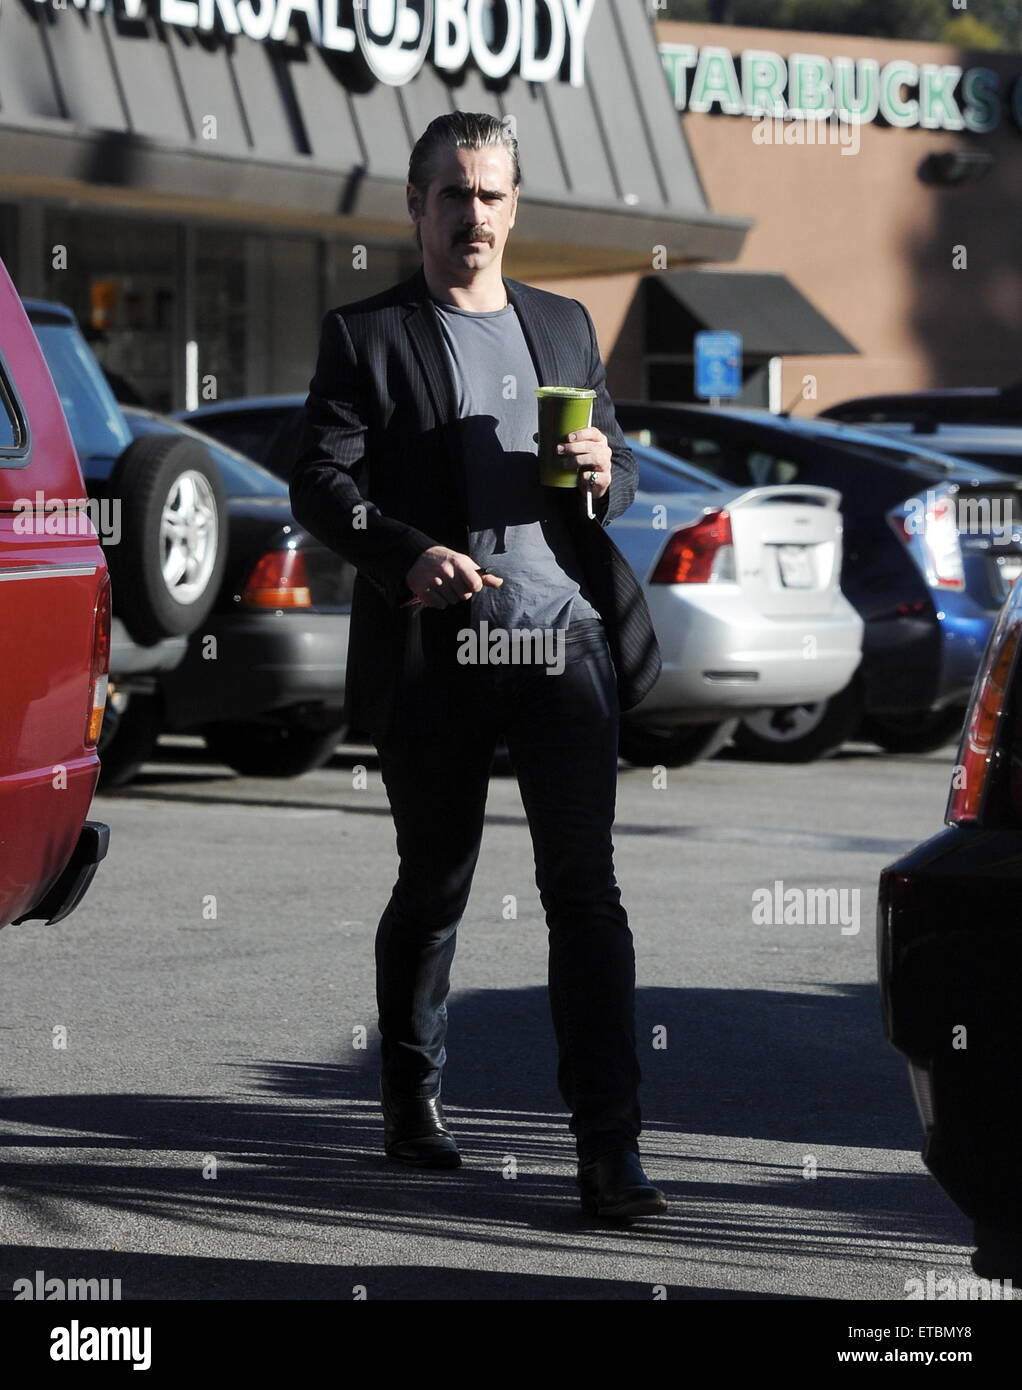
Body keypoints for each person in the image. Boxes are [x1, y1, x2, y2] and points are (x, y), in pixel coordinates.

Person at [289, 111, 665, 1220]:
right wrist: (405, 554)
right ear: (416, 207)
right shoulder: (367, 336)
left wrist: (604, 465)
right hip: (437, 649)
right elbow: (319, 477)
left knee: (582, 894)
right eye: (452, 194)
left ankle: (609, 1148)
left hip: (562, 641)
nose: (474, 214)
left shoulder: (562, 323)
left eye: (492, 194)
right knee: (436, 879)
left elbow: (616, 464)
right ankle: (411, 1098)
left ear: (515, 207)